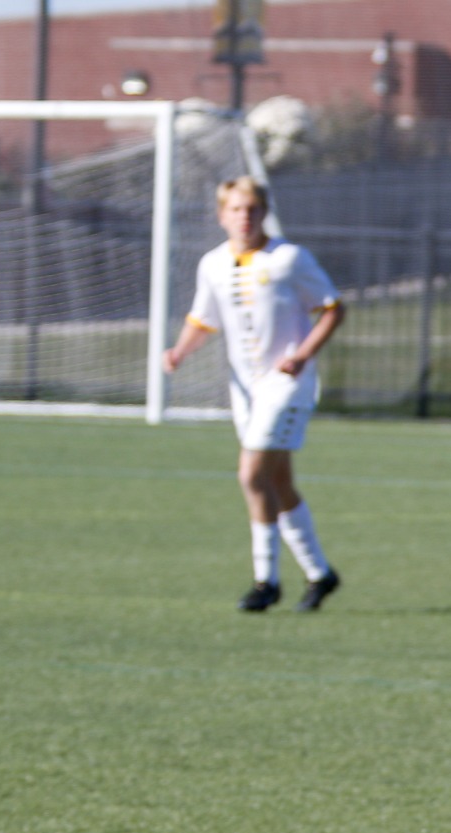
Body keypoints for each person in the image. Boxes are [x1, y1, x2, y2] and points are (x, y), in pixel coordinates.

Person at [162, 177, 344, 612]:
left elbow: (333, 308)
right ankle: (320, 573)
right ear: (221, 215)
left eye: (253, 209)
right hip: (244, 389)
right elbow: (203, 318)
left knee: (251, 476)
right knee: (277, 482)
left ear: (264, 213)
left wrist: (301, 356)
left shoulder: (288, 258)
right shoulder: (212, 264)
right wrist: (180, 351)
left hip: (286, 385)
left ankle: (267, 580)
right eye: (236, 210)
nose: (245, 217)